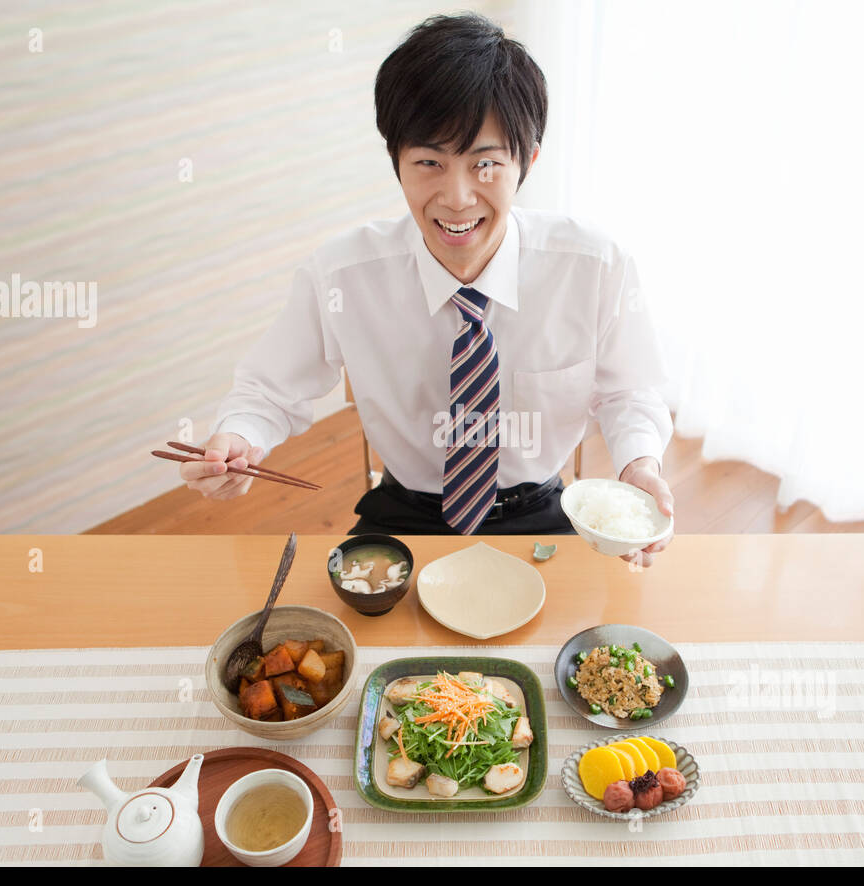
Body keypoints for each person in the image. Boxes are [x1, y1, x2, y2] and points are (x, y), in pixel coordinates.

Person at [182, 13, 675, 565]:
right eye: (429, 163)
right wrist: (238, 438)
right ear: (396, 162)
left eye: (484, 164)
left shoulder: (594, 267)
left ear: (527, 161)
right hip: (406, 509)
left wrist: (640, 467)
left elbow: (629, 394)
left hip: (539, 510)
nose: (457, 197)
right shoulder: (342, 274)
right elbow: (268, 393)